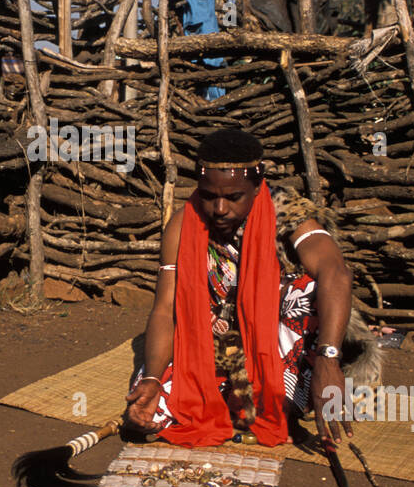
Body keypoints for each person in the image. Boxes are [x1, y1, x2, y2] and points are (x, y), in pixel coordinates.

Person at [124, 127, 358, 448]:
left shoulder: (285, 211)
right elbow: (166, 310)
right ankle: (235, 397)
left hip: (274, 348)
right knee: (146, 417)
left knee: (308, 286)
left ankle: (286, 387)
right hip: (213, 344)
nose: (220, 209)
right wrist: (151, 377)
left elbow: (336, 271)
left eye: (233, 197)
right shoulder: (183, 224)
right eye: (209, 196)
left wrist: (329, 360)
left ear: (258, 186)